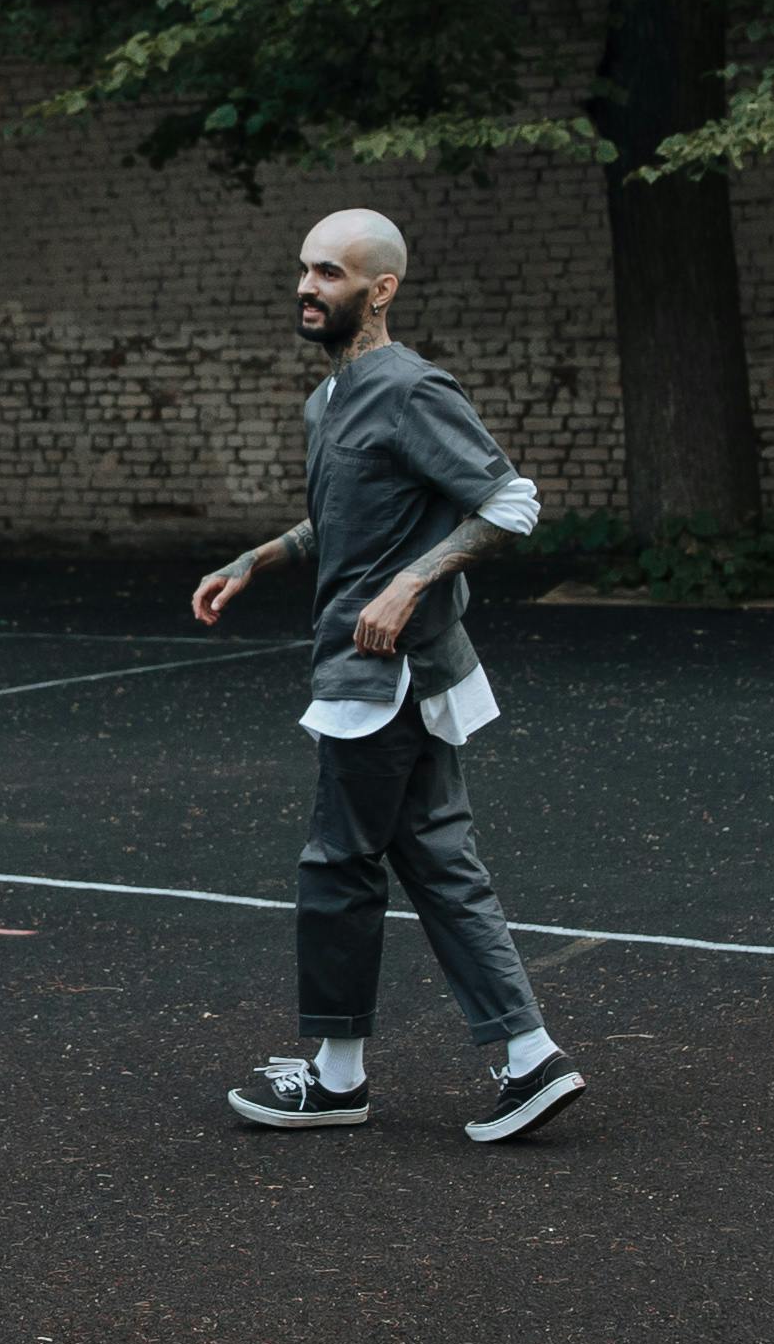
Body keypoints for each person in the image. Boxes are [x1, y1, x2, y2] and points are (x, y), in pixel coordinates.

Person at [191, 209, 582, 1143]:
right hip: (376, 670)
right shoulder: (329, 400)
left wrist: (410, 582)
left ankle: (337, 1079)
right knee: (439, 861)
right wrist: (260, 558)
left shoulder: (410, 387)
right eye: (304, 269)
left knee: (338, 866)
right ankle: (530, 1056)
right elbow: (347, 515)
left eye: (331, 272)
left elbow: (511, 501)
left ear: (382, 289)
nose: (307, 286)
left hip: (385, 678)